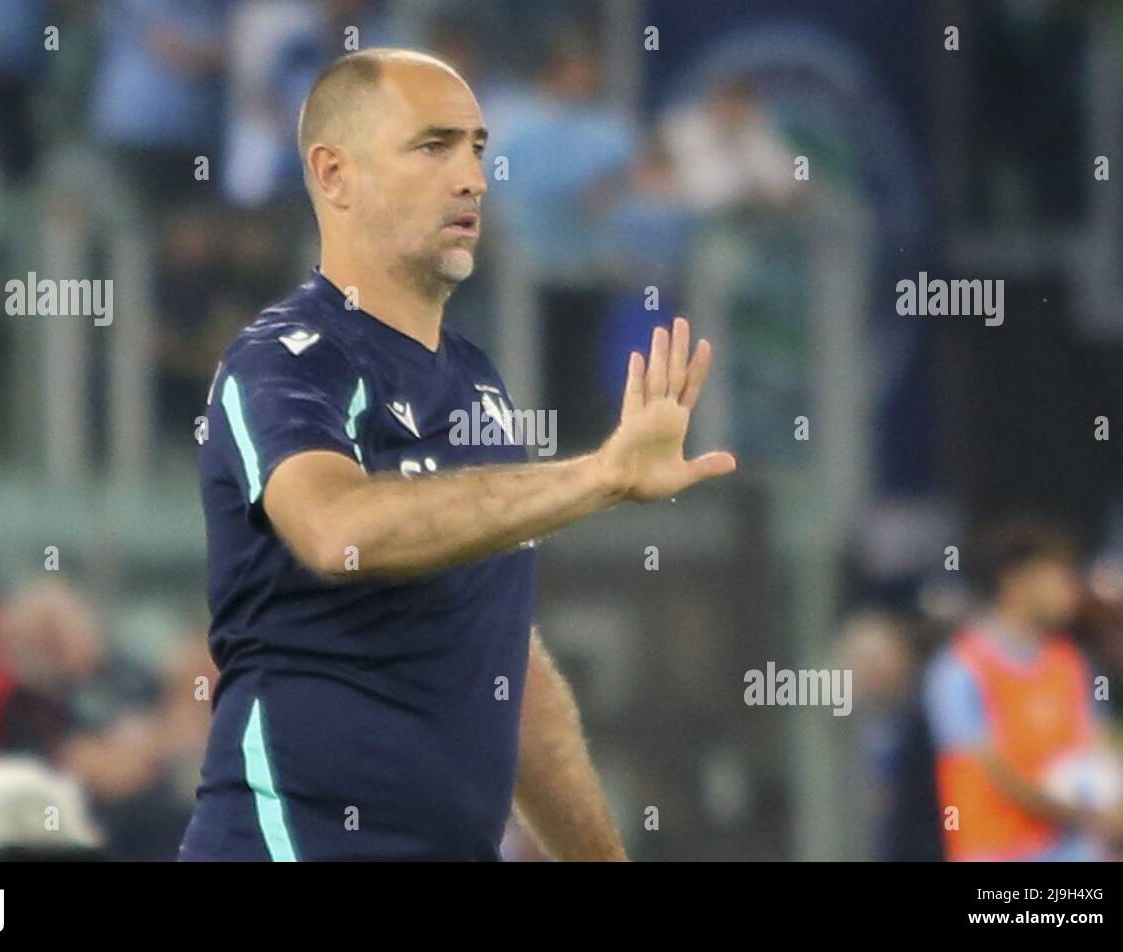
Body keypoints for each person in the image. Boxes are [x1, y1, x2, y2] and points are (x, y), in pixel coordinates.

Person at [178, 48, 737, 862]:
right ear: (333, 174)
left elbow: (511, 672)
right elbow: (338, 531)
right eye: (433, 147)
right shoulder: (284, 359)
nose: (472, 177)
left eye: (477, 147)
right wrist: (598, 475)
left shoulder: (476, 379)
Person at [925, 519, 1123, 861]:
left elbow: (1098, 746)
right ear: (1017, 582)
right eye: (1059, 577)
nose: (1070, 591)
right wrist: (1087, 816)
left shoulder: (1069, 663)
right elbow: (992, 771)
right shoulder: (960, 670)